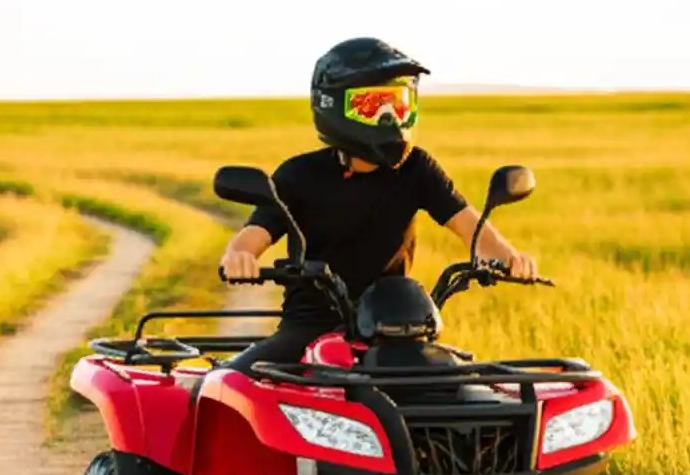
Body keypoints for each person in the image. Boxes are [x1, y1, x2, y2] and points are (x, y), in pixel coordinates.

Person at [219, 37, 537, 371]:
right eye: (371, 106)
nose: (389, 118)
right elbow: (253, 236)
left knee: (463, 392)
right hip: (311, 325)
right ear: (332, 106)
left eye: (397, 105)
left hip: (399, 326)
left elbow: (471, 227)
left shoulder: (417, 168)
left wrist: (510, 259)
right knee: (231, 382)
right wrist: (239, 257)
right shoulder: (300, 175)